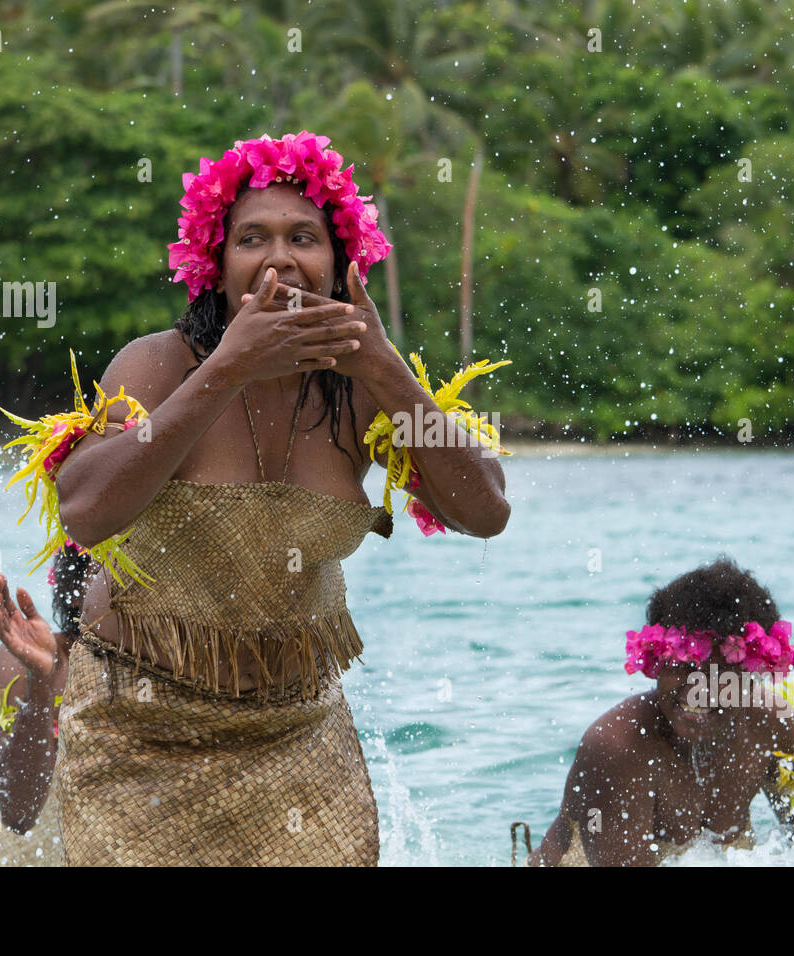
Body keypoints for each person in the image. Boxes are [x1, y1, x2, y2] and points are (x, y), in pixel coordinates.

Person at [50, 130, 510, 865]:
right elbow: (86, 508)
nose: (279, 257)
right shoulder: (157, 365)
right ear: (216, 264)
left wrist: (387, 369)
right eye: (251, 238)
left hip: (299, 735)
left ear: (340, 262)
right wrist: (224, 371)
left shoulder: (365, 389)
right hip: (137, 727)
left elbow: (486, 512)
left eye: (304, 237)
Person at [528, 557, 794, 866]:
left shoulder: (774, 729)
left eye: (720, 675)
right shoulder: (618, 748)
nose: (699, 689)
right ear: (656, 662)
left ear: (752, 673)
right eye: (682, 666)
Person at [0, 543, 92, 866]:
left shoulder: (175, 656)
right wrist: (41, 681)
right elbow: (17, 814)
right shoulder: (34, 661)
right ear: (76, 588)